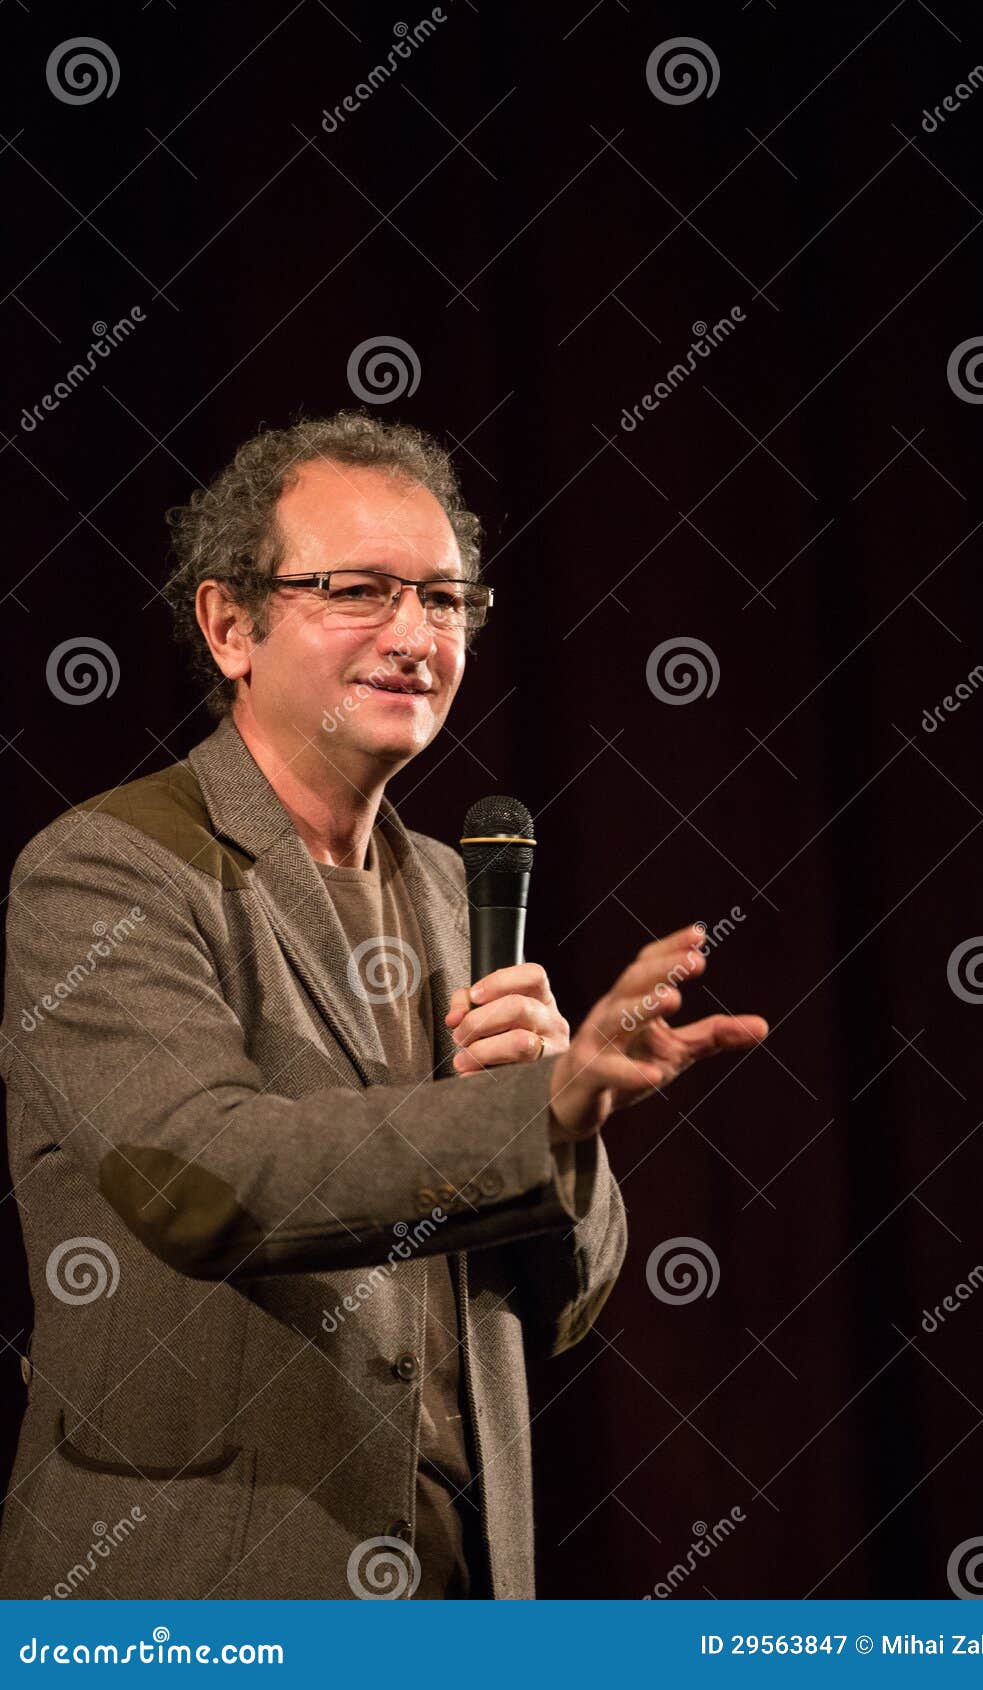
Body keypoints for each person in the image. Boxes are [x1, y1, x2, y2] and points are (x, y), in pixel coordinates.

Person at [0, 410, 768, 1600]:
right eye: (359, 589)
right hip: (208, 1594)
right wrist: (529, 1115)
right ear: (229, 625)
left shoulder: (460, 891)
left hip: (464, 1591)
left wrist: (563, 1125)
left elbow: (560, 1312)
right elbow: (207, 1177)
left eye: (445, 600)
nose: (414, 634)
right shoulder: (106, 870)